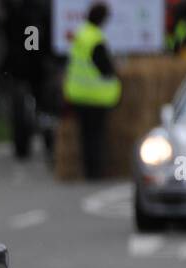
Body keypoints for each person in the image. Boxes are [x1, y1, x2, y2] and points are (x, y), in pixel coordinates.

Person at [63, 2, 120, 180]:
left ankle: (89, 171)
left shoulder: (81, 33)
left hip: (78, 93)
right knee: (96, 136)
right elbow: (106, 68)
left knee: (85, 135)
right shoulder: (95, 39)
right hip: (96, 96)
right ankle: (96, 172)